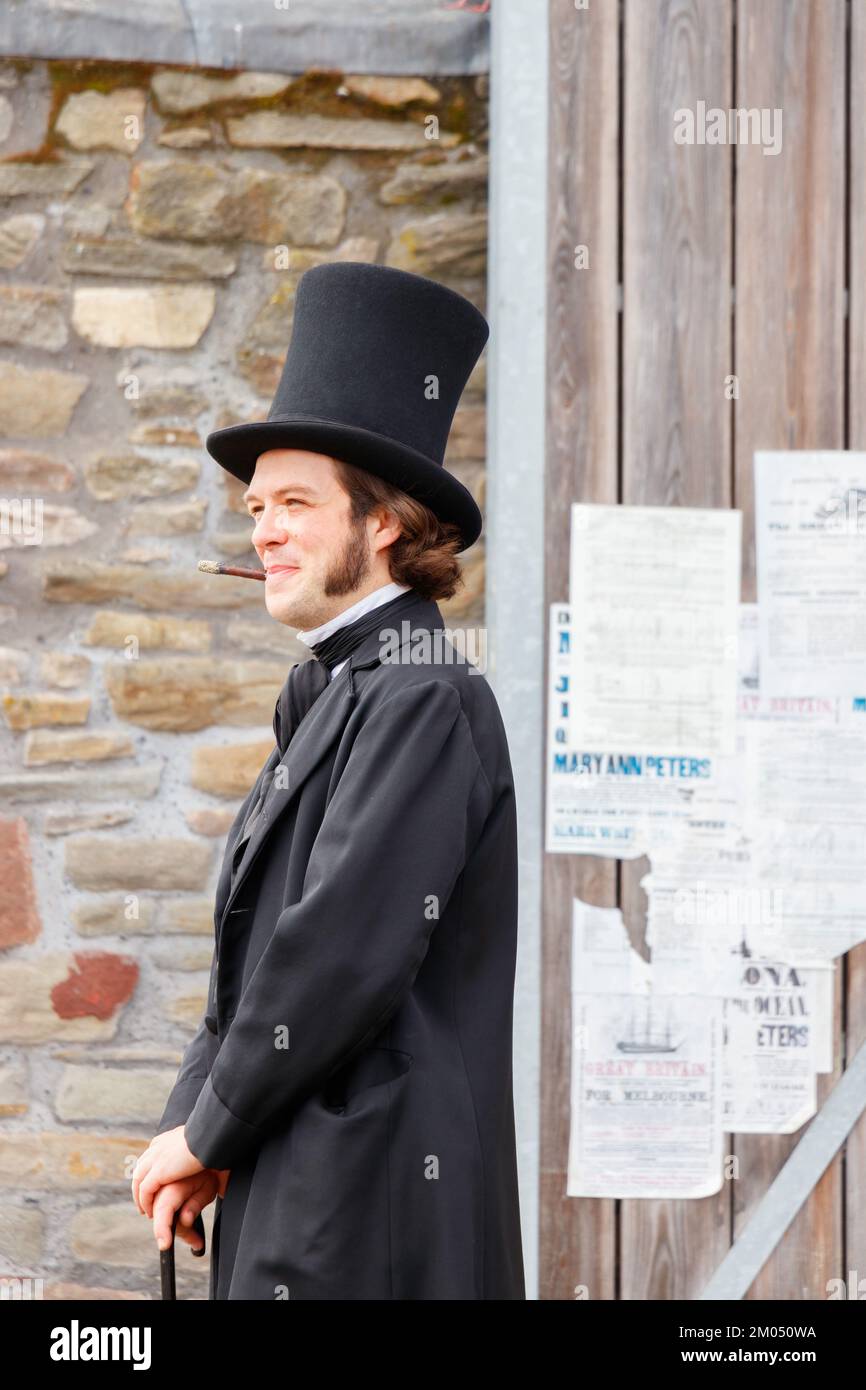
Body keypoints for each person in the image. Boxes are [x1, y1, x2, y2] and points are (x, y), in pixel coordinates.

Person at [130, 262, 525, 1300]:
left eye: (296, 502)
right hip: (297, 1188)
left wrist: (210, 1127)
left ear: (382, 522)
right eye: (258, 504)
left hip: (374, 1214)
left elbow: (340, 948)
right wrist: (195, 1126)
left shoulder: (422, 693)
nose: (262, 527)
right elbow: (249, 961)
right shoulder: (331, 692)